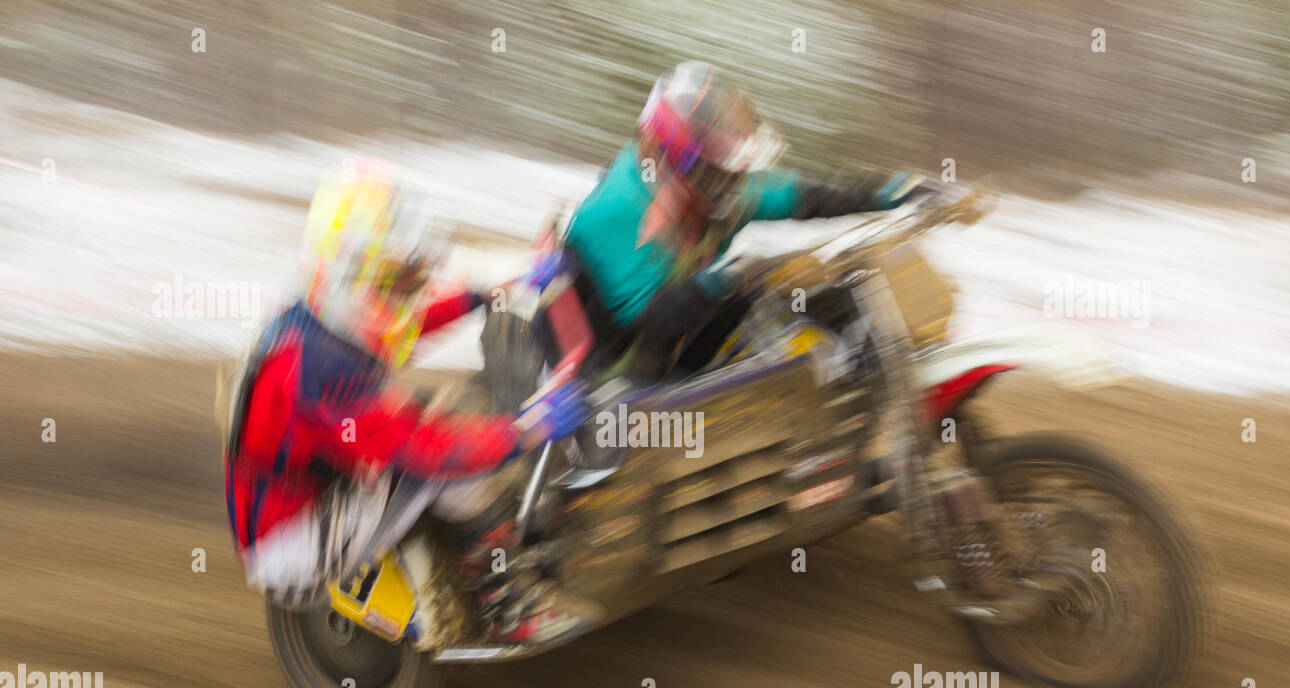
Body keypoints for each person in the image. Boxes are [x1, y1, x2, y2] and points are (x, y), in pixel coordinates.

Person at [223, 161, 586, 642]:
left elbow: (402, 331)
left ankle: (476, 549)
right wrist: (531, 428)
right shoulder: (317, 368)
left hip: (305, 496)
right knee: (453, 467)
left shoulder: (318, 318)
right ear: (354, 277)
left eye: (407, 278)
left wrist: (489, 293)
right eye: (395, 281)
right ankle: (507, 605)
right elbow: (428, 450)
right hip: (290, 544)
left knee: (446, 412)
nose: (407, 292)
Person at [563, 60, 928, 372]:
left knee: (796, 293)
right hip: (610, 369)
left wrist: (887, 194)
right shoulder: (618, 208)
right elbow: (648, 324)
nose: (731, 183)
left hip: (681, 331)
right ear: (680, 162)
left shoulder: (720, 193)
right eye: (716, 170)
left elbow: (804, 197)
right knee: (753, 299)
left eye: (732, 169)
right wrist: (721, 279)